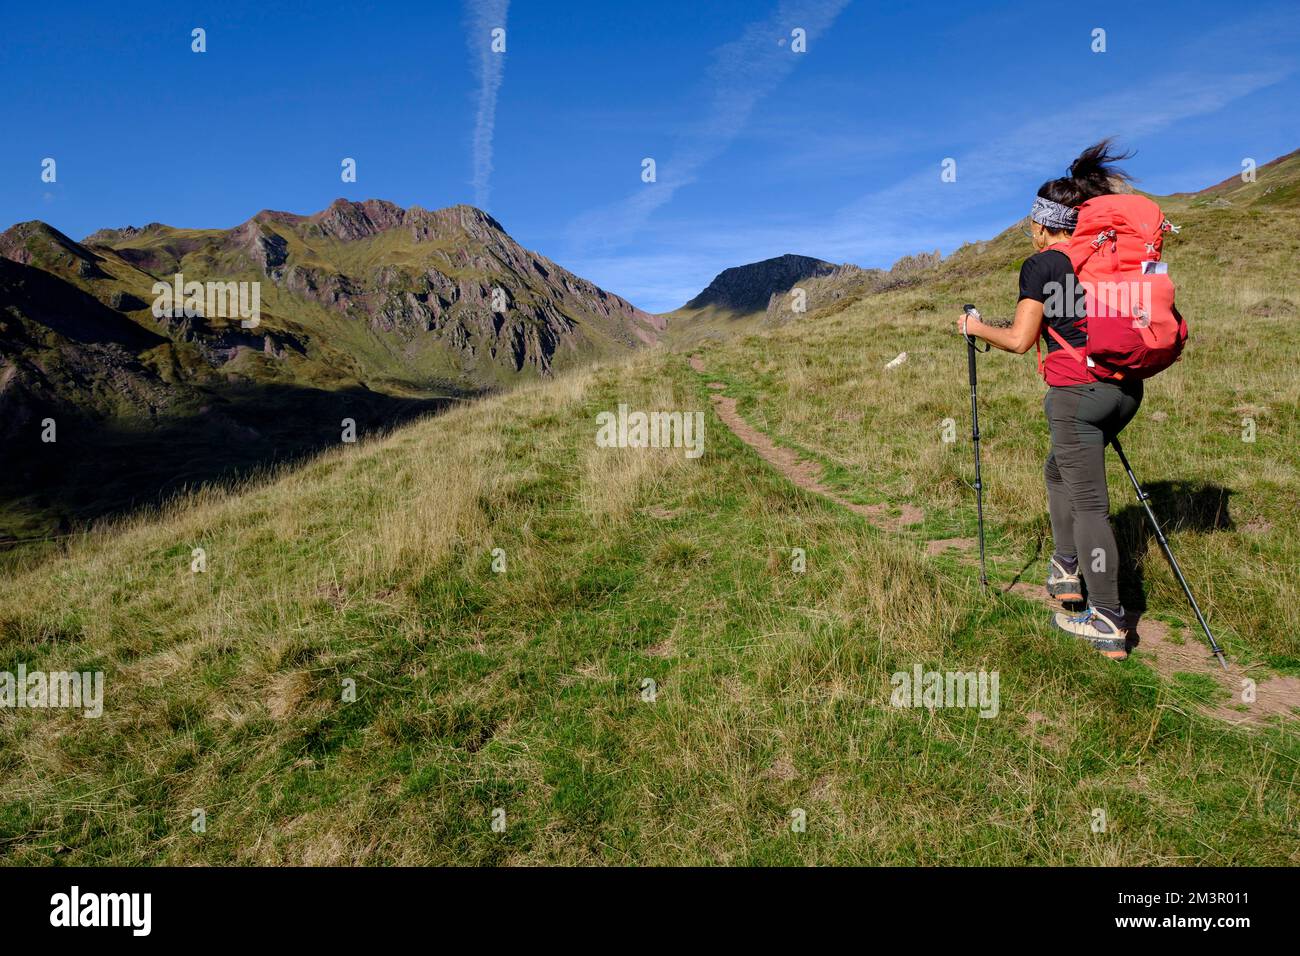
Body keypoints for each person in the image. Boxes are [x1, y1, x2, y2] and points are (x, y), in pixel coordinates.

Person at [958, 141, 1142, 661]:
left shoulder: (1042, 265)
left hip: (1076, 396)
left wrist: (974, 327)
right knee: (1059, 470)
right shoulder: (1104, 257)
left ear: (1043, 224)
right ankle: (1065, 570)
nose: (1028, 230)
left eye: (1031, 222)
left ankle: (1107, 618)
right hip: (1125, 389)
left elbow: (1019, 340)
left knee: (1090, 505)